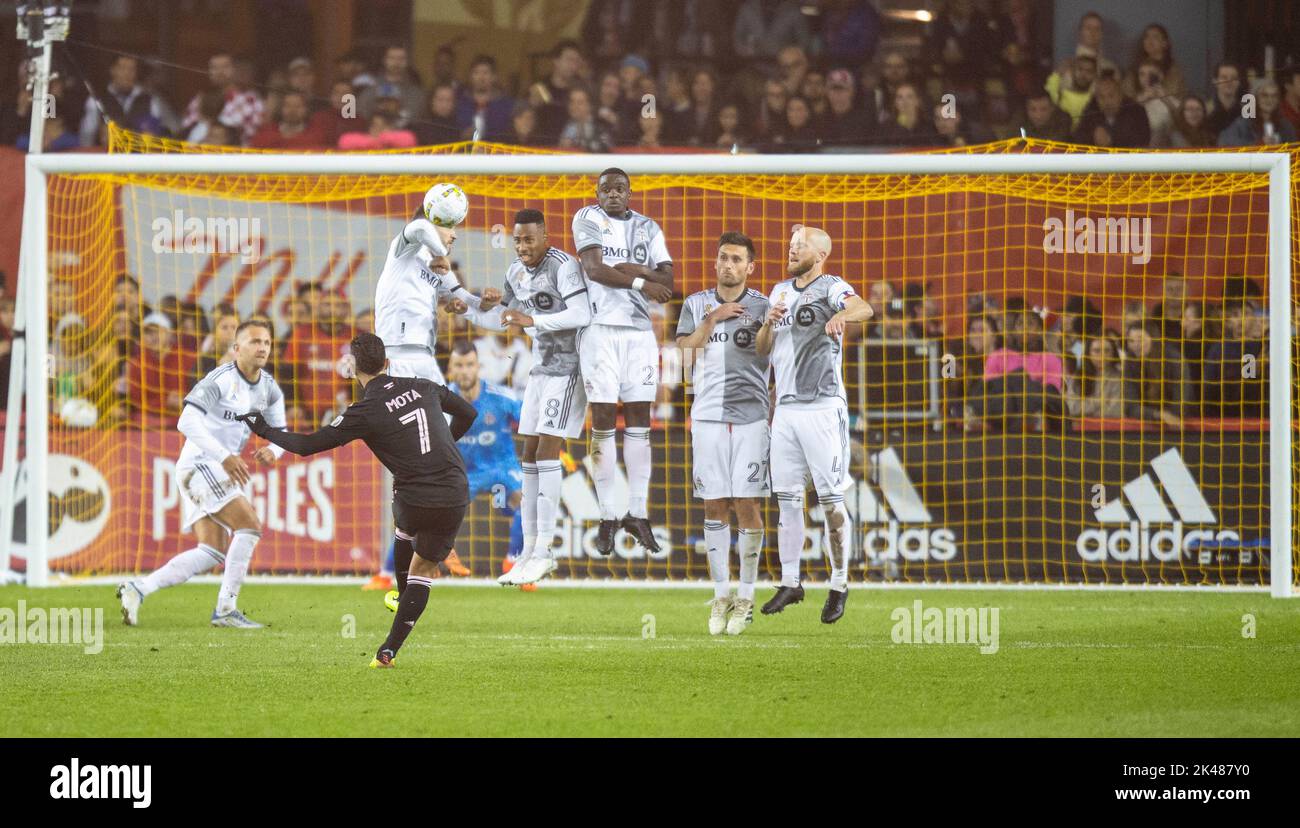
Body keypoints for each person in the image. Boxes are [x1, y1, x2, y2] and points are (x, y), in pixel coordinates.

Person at [240, 333, 477, 668]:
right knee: (423, 568)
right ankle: (388, 650)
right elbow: (468, 413)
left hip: (413, 499)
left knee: (406, 527)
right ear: (387, 362)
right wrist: (445, 447)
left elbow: (307, 446)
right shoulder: (423, 385)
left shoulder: (364, 411)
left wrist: (265, 429)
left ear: (352, 368)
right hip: (454, 491)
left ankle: (400, 592)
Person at [116, 320, 286, 628]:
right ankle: (225, 609)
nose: (262, 347)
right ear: (236, 348)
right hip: (201, 464)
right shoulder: (219, 380)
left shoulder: (269, 388)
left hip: (212, 469)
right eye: (254, 341)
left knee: (212, 551)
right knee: (250, 526)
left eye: (267, 342)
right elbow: (186, 421)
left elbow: (281, 430)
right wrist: (224, 456)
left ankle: (138, 588)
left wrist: (274, 450)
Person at [453, 209, 591, 585]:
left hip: (570, 369)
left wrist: (536, 321)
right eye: (518, 240)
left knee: (547, 451)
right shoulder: (514, 272)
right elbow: (505, 317)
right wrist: (469, 307)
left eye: (530, 239)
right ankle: (529, 551)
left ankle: (545, 550)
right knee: (528, 454)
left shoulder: (565, 266)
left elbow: (583, 312)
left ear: (545, 237)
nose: (523, 246)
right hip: (540, 371)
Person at [756, 225, 873, 624]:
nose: (791, 250)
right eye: (789, 244)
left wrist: (842, 314)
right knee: (787, 499)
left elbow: (865, 308)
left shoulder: (831, 286)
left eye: (799, 246)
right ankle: (791, 581)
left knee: (830, 503)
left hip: (823, 407)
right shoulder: (779, 291)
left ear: (820, 254)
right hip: (785, 410)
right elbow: (761, 350)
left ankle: (839, 583)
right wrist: (768, 323)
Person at [572, 168, 673, 555]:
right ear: (595, 193)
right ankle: (607, 514)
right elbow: (594, 269)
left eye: (619, 189)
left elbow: (669, 280)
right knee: (601, 420)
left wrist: (643, 272)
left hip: (639, 335)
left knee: (639, 421)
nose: (612, 195)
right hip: (601, 332)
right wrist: (639, 281)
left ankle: (637, 512)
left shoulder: (649, 227)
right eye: (605, 189)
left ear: (630, 193)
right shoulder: (587, 218)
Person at [675, 232, 770, 636]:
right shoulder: (696, 304)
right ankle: (720, 595)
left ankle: (746, 596)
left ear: (750, 267)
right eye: (722, 258)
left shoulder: (766, 306)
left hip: (751, 417)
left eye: (736, 259)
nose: (727, 264)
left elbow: (772, 354)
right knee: (713, 505)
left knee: (746, 503)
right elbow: (684, 351)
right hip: (708, 416)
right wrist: (713, 318)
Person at [1218, 78, 1297, 146]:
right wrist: (1258, 144)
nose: (1270, 100)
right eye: (1264, 95)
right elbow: (1224, 141)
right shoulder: (1244, 123)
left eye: (1274, 96)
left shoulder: (1285, 126)